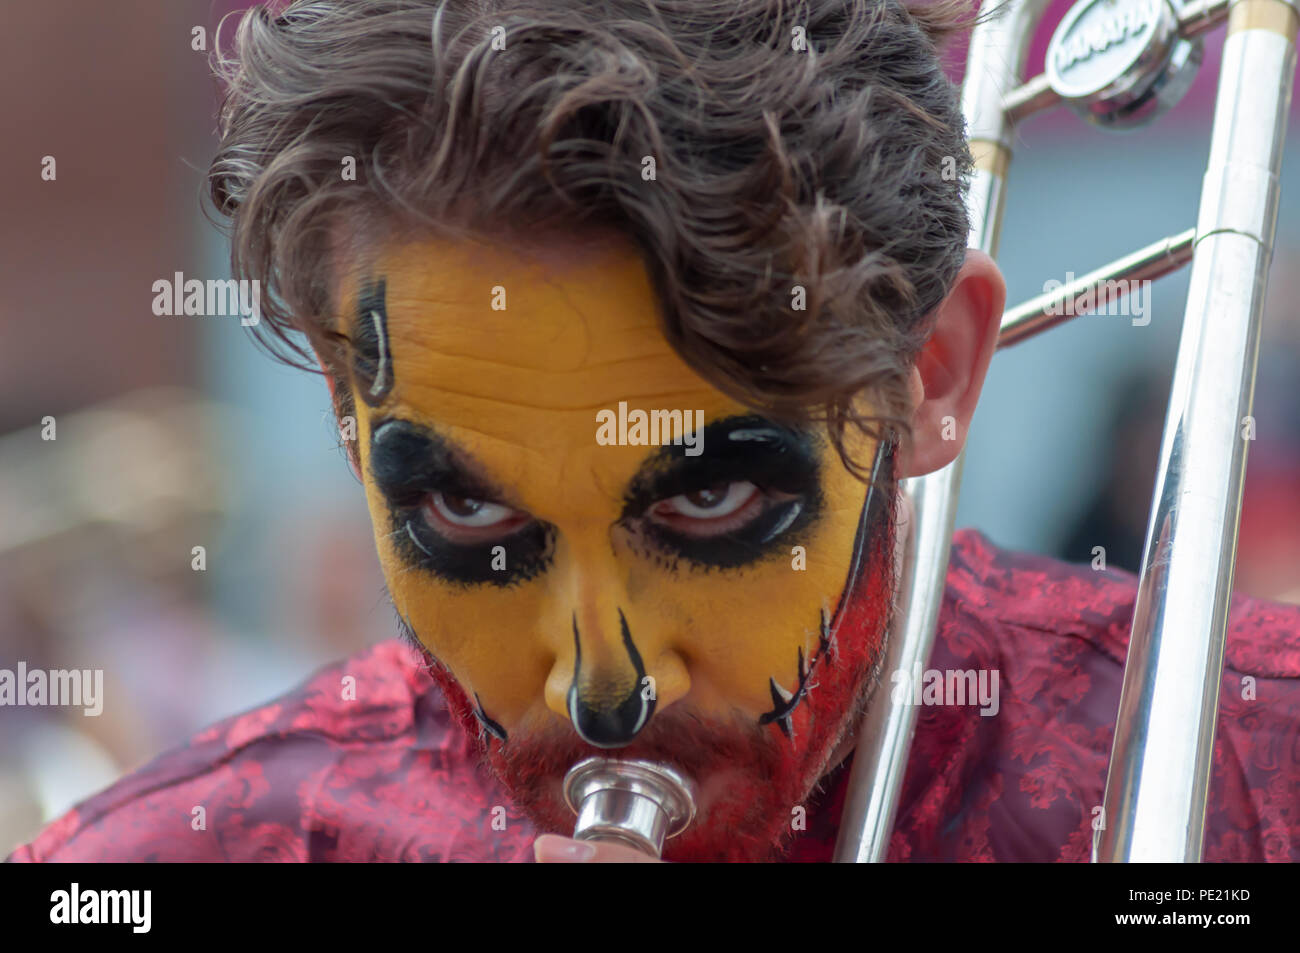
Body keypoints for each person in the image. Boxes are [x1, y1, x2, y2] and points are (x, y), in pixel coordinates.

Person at [10, 0, 1300, 864]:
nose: (603, 687)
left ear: (932, 371)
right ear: (351, 422)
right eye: (465, 515)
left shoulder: (1265, 761)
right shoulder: (165, 852)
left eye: (715, 506)